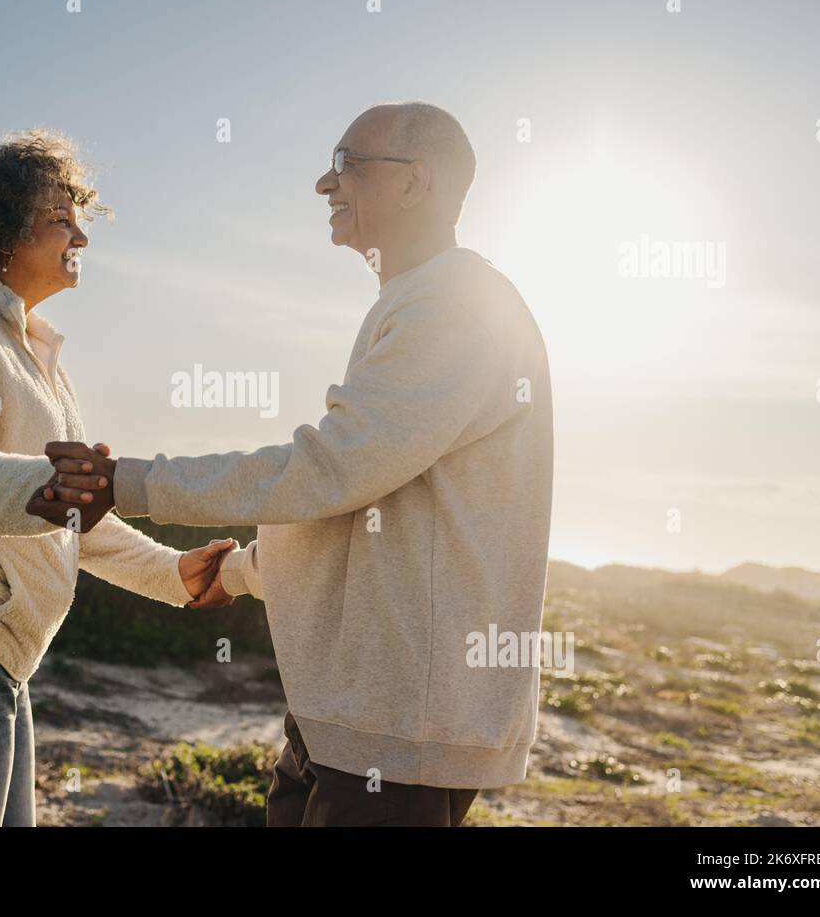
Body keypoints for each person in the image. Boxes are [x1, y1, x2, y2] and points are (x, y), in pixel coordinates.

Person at [29, 102, 554, 827]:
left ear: (415, 183)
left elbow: (329, 470)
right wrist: (241, 572)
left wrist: (129, 481)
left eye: (347, 164)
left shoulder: (458, 304)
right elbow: (352, 501)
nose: (323, 184)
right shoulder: (420, 299)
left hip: (400, 727)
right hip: (345, 711)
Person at [0, 130, 233, 826]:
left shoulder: (37, 356)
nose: (80, 234)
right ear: (4, 231)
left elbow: (76, 520)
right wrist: (57, 486)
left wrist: (175, 574)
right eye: (61, 218)